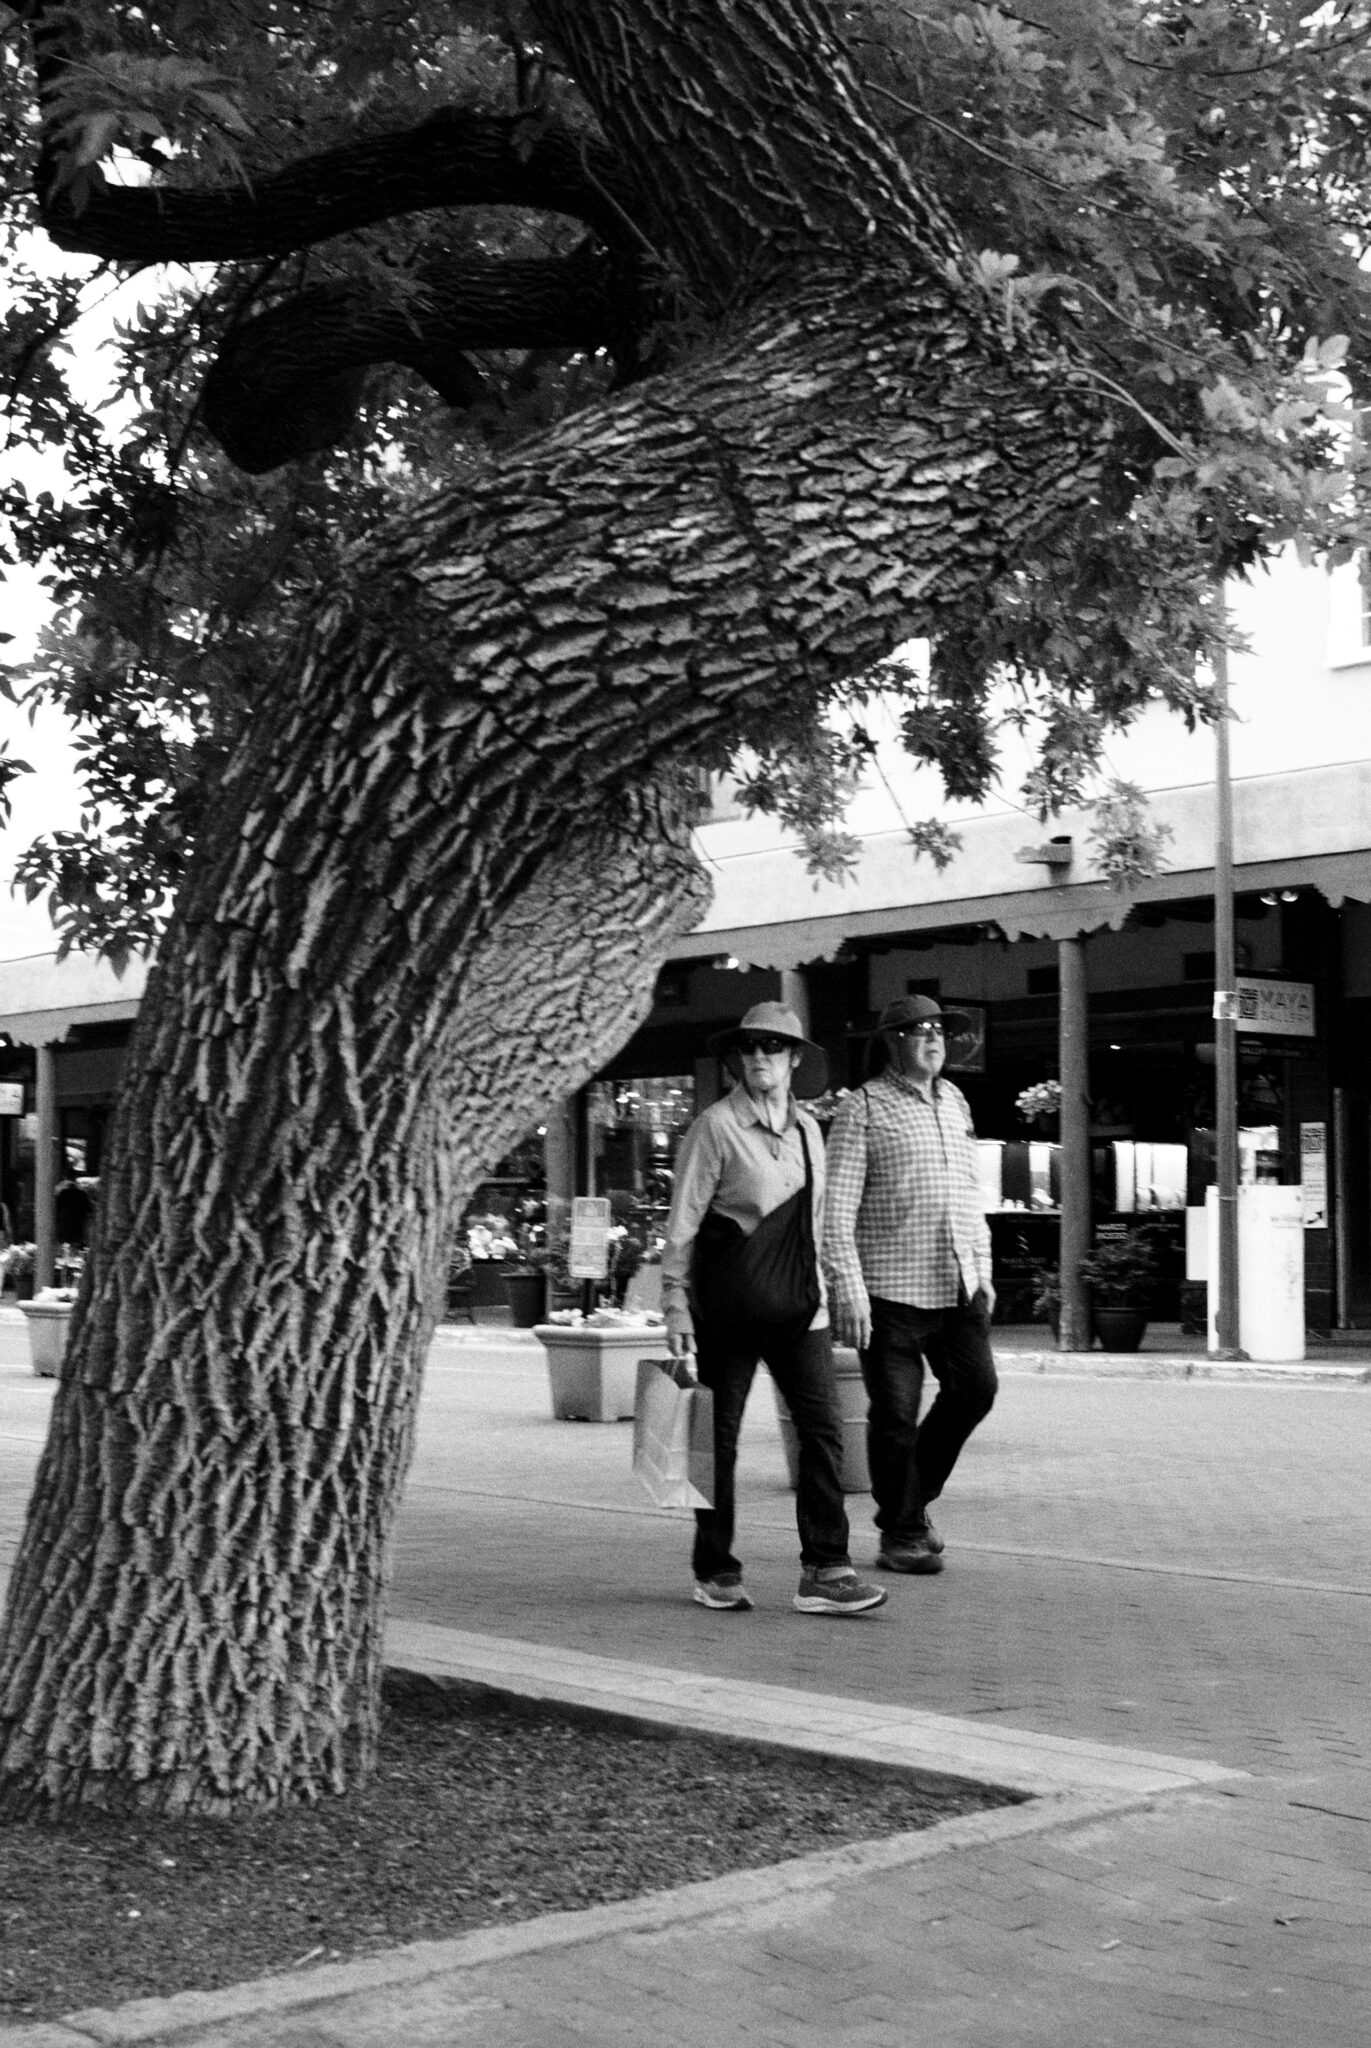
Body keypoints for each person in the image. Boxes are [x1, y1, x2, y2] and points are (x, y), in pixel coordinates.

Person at [661, 1002, 886, 1617]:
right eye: (750, 1047)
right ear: (738, 1059)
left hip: (800, 1308)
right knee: (716, 1440)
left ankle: (826, 1569)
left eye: (773, 1047)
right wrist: (676, 1306)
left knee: (823, 1433)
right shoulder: (715, 1127)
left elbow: (821, 1225)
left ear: (793, 1059)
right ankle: (714, 1567)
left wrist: (841, 1290)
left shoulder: (812, 1130)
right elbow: (682, 1222)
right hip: (727, 1310)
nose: (759, 1057)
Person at [823, 994, 998, 1575]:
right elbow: (836, 1212)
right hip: (890, 1291)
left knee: (975, 1390)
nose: (933, 1039)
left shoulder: (955, 1101)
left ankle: (911, 1504)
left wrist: (984, 1268)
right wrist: (847, 1290)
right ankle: (900, 1532)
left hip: (957, 1283)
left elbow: (968, 1194)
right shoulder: (862, 1107)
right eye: (919, 1030)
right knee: (895, 1414)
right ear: (893, 1042)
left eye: (939, 1030)